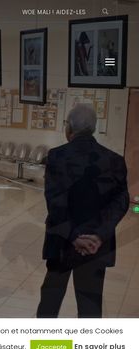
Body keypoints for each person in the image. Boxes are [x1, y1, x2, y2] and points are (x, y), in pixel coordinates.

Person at [37, 104, 129, 318]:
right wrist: (97, 235)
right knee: (90, 305)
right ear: (94, 129)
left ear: (69, 128)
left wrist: (74, 236)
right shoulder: (114, 160)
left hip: (62, 241)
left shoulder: (57, 156)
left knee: (50, 300)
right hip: (96, 247)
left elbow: (55, 202)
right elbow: (120, 202)